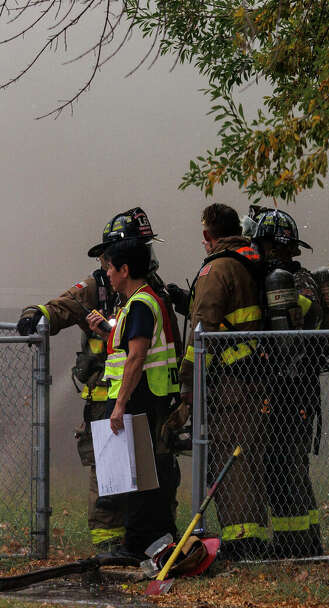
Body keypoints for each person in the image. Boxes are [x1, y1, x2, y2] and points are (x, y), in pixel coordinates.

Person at [15, 207, 173, 552]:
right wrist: (36, 315)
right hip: (108, 397)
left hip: (145, 395)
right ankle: (110, 549)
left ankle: (153, 543)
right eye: (140, 247)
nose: (147, 256)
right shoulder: (97, 287)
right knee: (109, 478)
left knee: (155, 472)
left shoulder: (148, 291)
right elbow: (63, 306)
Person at [179, 203, 270, 561]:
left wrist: (187, 384)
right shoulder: (253, 262)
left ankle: (241, 542)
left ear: (207, 235)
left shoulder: (216, 269)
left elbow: (202, 331)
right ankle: (252, 535)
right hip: (256, 380)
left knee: (232, 463)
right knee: (250, 458)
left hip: (228, 385)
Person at [86, 239, 181, 557]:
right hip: (145, 396)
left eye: (111, 268)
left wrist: (121, 405)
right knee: (146, 473)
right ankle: (162, 539)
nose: (107, 274)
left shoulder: (140, 303)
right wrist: (105, 333)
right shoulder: (139, 303)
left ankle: (136, 545)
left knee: (136, 475)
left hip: (140, 398)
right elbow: (128, 347)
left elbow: (136, 357)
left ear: (125, 270)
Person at [248, 207, 329, 558]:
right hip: (282, 384)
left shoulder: (300, 280)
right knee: (285, 465)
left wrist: (271, 294)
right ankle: (305, 540)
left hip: (295, 386)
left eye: (263, 246)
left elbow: (307, 316)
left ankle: (295, 544)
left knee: (285, 465)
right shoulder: (281, 278)